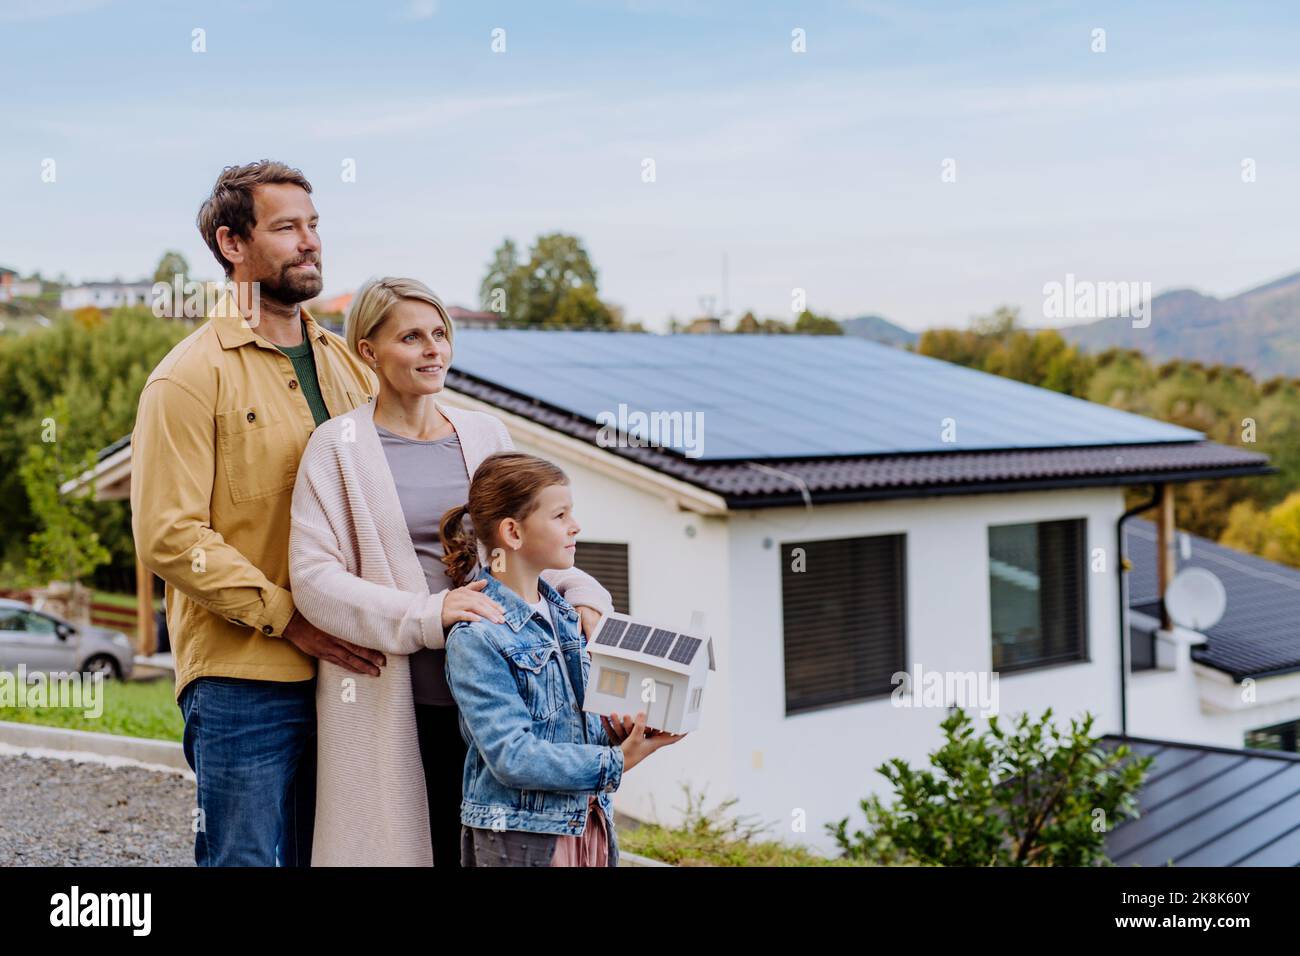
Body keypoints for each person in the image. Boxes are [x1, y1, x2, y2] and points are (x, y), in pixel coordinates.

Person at [288, 276, 615, 865]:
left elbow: (521, 542)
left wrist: (582, 591)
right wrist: (428, 613)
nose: (433, 349)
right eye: (411, 337)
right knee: (413, 844)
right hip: (398, 694)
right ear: (368, 351)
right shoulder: (335, 446)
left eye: (440, 334)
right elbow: (314, 579)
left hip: (499, 696)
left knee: (496, 847)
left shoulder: (485, 433)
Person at [130, 160, 381, 866]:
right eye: (286, 228)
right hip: (244, 680)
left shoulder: (349, 368)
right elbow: (170, 535)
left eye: (313, 225)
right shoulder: (187, 377)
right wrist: (289, 616)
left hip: (349, 672)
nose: (310, 243)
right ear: (232, 243)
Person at [442, 451, 685, 867]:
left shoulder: (567, 616)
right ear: (513, 533)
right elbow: (512, 755)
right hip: (522, 837)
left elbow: (570, 724)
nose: (576, 526)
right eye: (560, 515)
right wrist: (617, 761)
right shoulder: (476, 636)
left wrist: (619, 731)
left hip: (588, 823)